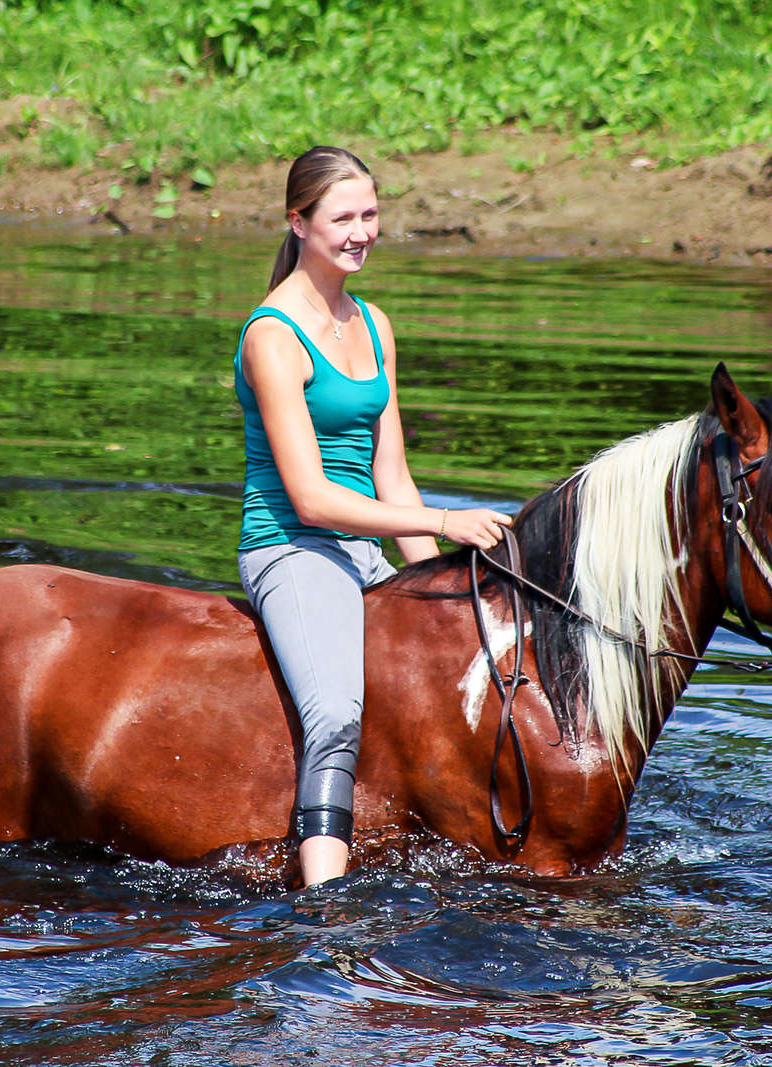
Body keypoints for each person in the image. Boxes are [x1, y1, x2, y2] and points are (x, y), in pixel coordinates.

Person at [234, 146, 512, 886]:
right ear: (298, 222)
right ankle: (324, 901)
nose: (361, 233)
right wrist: (447, 523)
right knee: (334, 716)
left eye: (371, 215)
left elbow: (392, 477)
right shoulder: (272, 335)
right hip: (294, 547)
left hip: (366, 549)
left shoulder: (373, 323)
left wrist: (449, 577)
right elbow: (310, 497)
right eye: (342, 218)